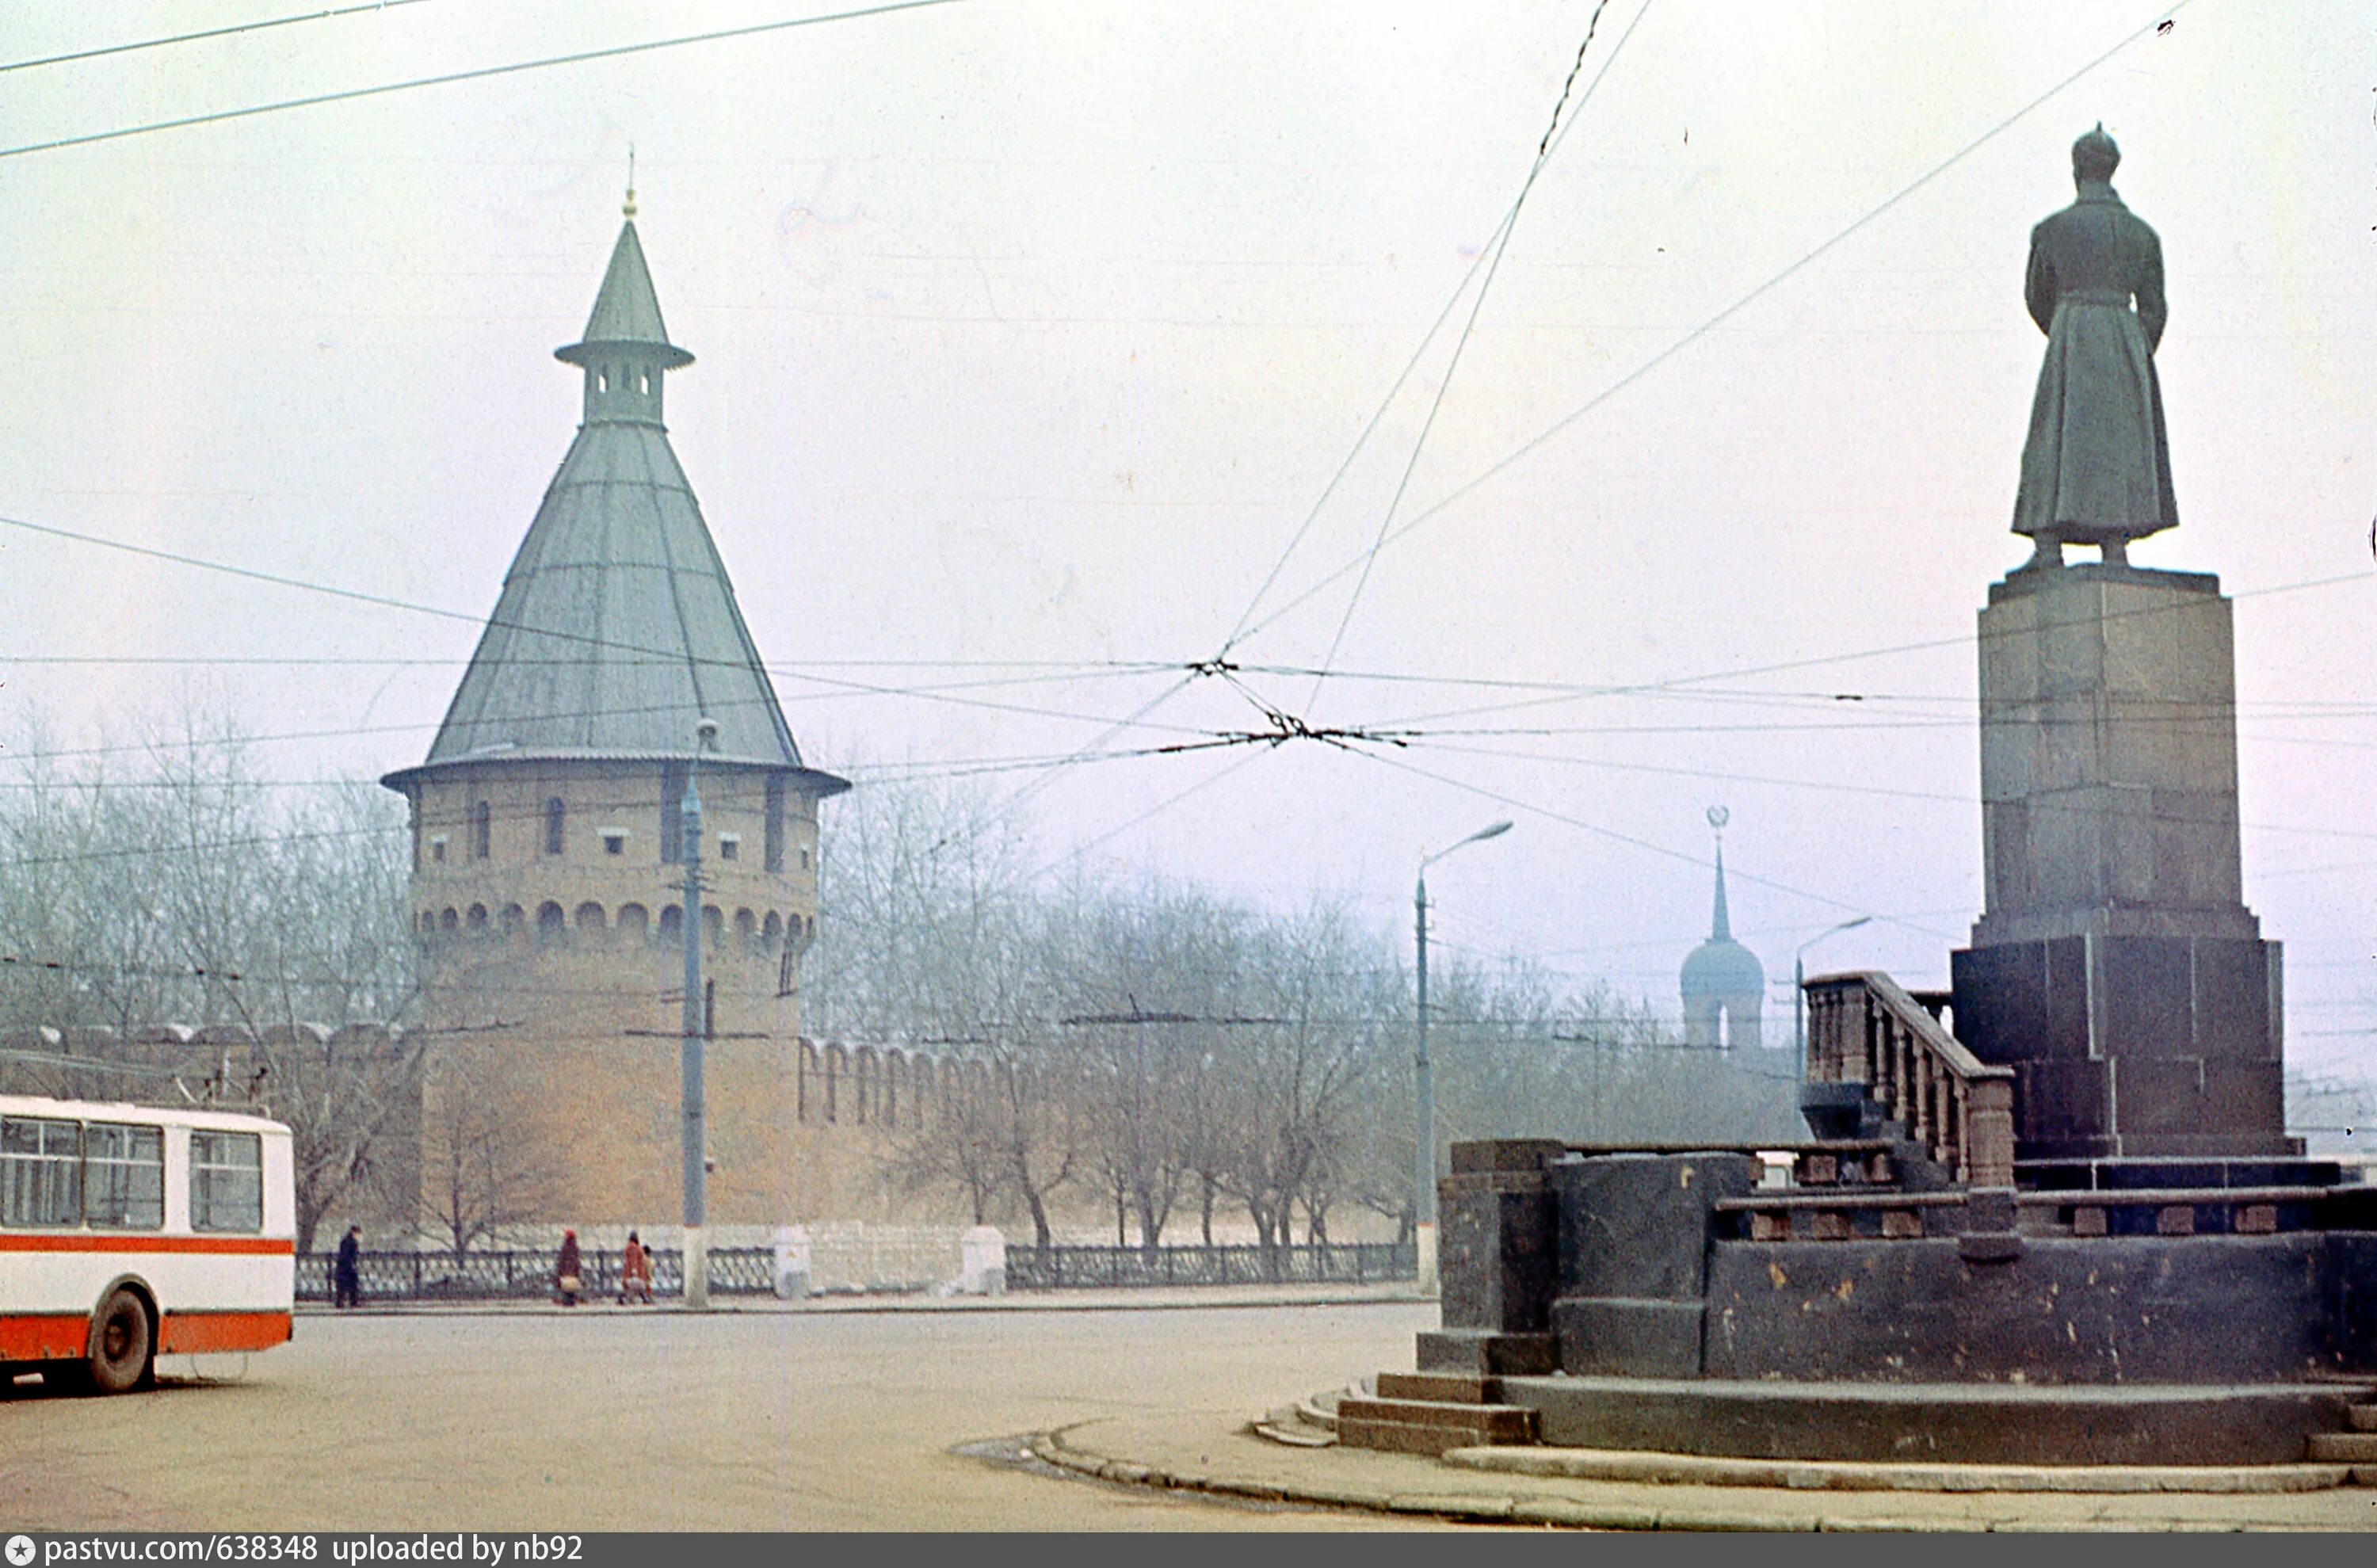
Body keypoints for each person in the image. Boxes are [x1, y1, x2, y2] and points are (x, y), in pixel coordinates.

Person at [2011, 124, 2177, 570]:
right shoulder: (2143, 235)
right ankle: (2114, 544)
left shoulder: (2051, 230)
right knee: (2114, 444)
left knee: (2057, 440)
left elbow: (2036, 297)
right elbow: (2156, 309)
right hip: (2123, 339)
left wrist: (2069, 331)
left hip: (2072, 333)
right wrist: (2132, 350)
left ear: (2076, 170)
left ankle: (2049, 545)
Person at [620, 1230, 653, 1306]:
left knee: (632, 1288)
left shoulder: (631, 1246)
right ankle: (643, 1299)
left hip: (632, 1274)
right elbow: (634, 1259)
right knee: (638, 1286)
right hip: (638, 1274)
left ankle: (628, 1299)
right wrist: (634, 1271)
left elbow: (632, 1260)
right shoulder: (634, 1247)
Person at [334, 1225, 362, 1310]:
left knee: (344, 1286)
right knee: (351, 1285)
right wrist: (352, 1265)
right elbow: (348, 1255)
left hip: (344, 1267)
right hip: (347, 1267)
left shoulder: (346, 1241)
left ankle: (342, 1302)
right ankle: (352, 1302)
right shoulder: (351, 1242)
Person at [555, 1229, 582, 1307]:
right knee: (572, 1288)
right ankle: (571, 1301)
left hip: (566, 1271)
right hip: (573, 1271)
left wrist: (560, 1270)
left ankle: (567, 1302)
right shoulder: (575, 1248)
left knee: (566, 1287)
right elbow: (577, 1260)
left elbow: (562, 1260)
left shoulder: (565, 1248)